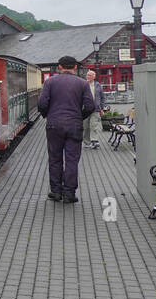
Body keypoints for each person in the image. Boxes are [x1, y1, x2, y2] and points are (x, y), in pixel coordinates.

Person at [37, 56, 96, 203]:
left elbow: (42, 104)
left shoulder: (50, 82)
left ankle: (56, 192)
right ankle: (69, 193)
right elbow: (90, 106)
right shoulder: (83, 84)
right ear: (75, 67)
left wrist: (48, 115)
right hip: (74, 126)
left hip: (54, 126)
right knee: (72, 160)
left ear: (60, 67)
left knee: (55, 159)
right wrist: (79, 117)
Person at [82, 69, 105, 149]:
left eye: (90, 75)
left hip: (95, 109)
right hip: (85, 109)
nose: (88, 76)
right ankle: (87, 142)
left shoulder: (98, 85)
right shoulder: (83, 85)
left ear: (94, 77)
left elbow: (102, 97)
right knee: (85, 126)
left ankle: (94, 141)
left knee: (93, 125)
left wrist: (102, 108)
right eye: (87, 75)